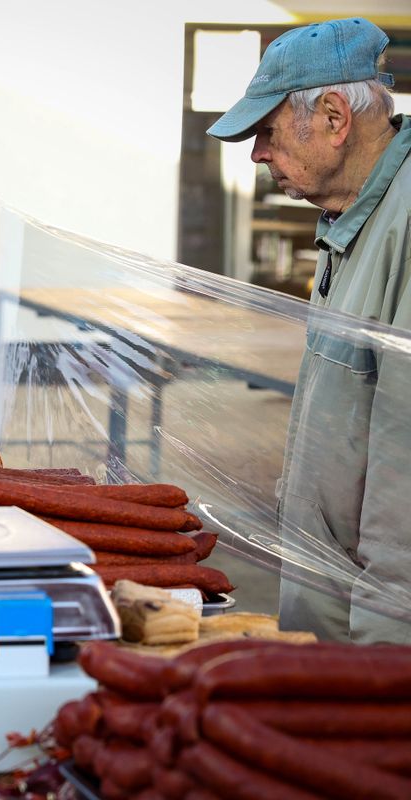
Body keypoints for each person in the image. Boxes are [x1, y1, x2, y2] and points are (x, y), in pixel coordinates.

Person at [207, 17, 411, 643]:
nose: (258, 154)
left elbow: (405, 467)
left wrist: (382, 656)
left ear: (332, 116)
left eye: (267, 132)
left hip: (375, 633)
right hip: (332, 611)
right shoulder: (347, 216)